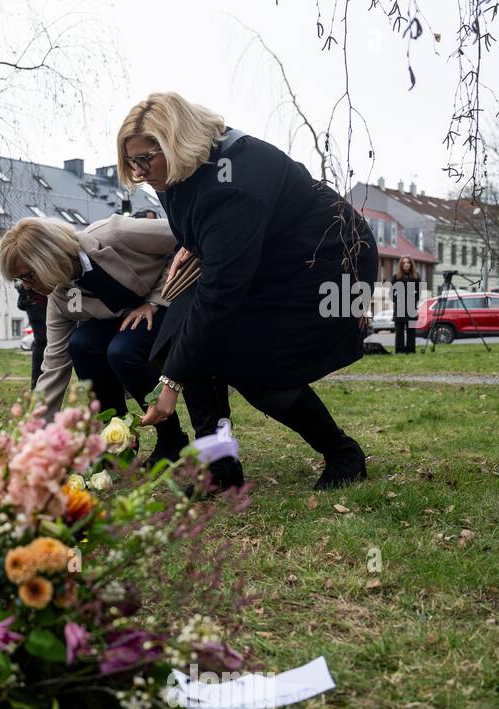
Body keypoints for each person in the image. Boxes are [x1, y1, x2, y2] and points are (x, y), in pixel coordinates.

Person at [120, 91, 377, 490]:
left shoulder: (234, 183)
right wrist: (190, 244)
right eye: (131, 162)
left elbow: (219, 293)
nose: (138, 173)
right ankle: (220, 466)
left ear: (177, 142)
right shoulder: (174, 173)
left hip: (328, 263)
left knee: (257, 366)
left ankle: (343, 454)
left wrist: (170, 385)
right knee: (181, 344)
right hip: (265, 259)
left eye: (144, 159)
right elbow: (202, 230)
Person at [0, 214, 189, 468]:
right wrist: (34, 434)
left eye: (29, 275)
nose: (28, 286)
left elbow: (187, 236)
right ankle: (119, 441)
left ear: (47, 257)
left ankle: (172, 441)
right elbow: (54, 365)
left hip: (168, 305)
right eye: (21, 280)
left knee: (123, 351)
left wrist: (154, 300)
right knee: (80, 345)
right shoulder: (60, 297)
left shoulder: (113, 234)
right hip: (127, 320)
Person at [15, 279, 48, 390]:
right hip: (36, 301)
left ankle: (42, 382)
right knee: (42, 341)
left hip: (49, 299)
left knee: (46, 341)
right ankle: (37, 385)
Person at [391, 256, 420, 354]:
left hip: (411, 307)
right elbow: (392, 292)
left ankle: (411, 350)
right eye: (404, 263)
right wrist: (397, 301)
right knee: (399, 330)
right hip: (400, 307)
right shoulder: (396, 277)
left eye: (408, 262)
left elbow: (418, 294)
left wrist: (415, 307)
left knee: (411, 330)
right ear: (401, 265)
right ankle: (399, 350)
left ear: (411, 264)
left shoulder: (416, 277)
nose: (406, 264)